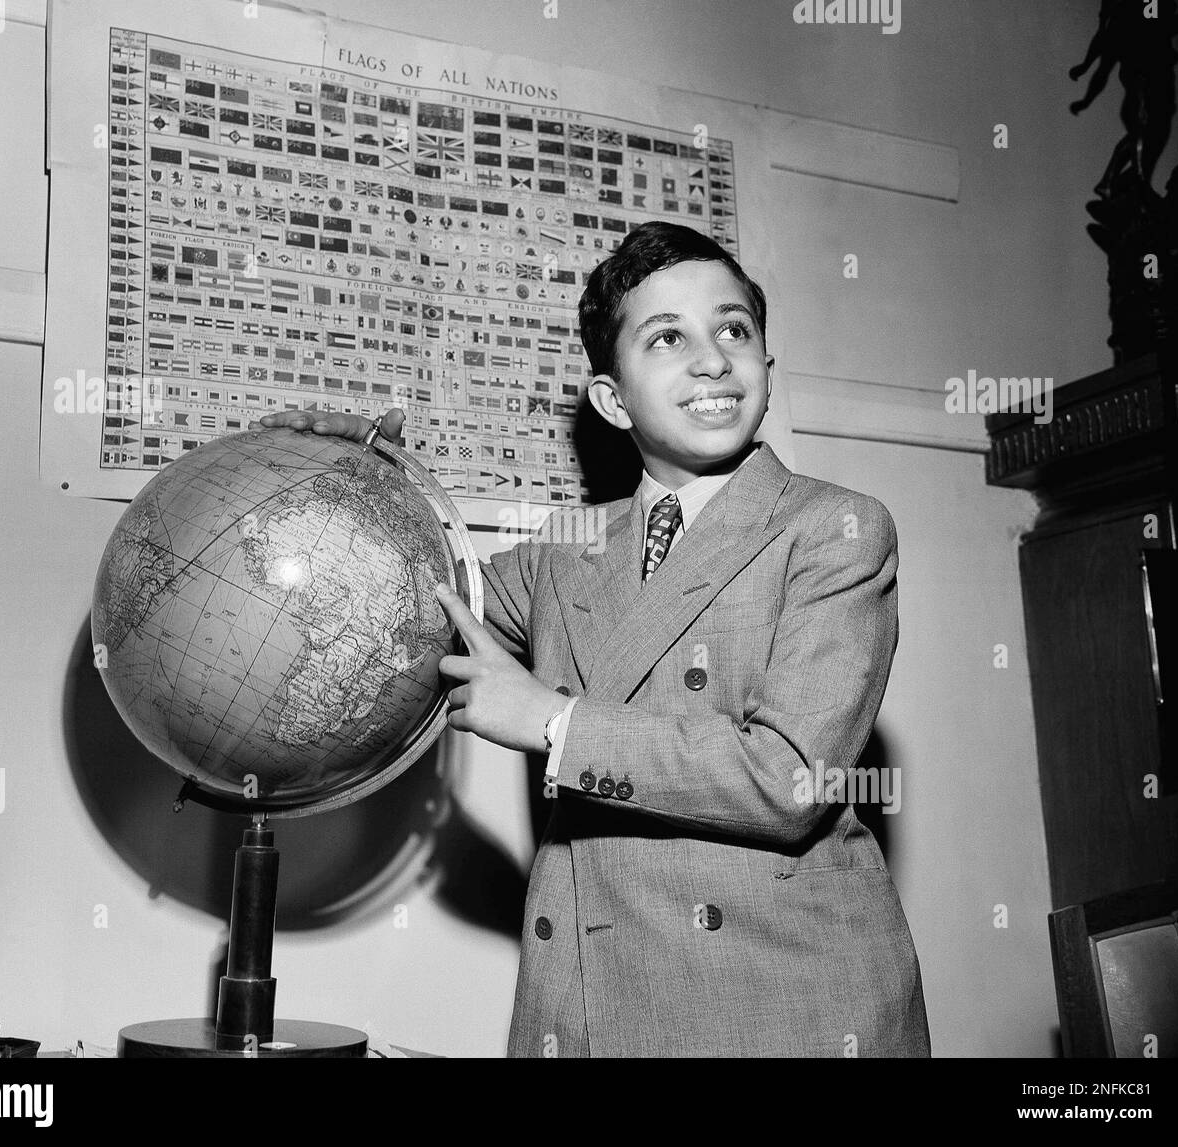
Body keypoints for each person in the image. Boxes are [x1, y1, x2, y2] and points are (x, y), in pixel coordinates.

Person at [253, 220, 931, 1057]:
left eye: (733, 330)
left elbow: (790, 780)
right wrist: (354, 485)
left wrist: (551, 723)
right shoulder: (565, 549)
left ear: (764, 363)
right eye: (667, 338)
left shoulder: (835, 527)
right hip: (593, 1005)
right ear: (612, 399)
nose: (712, 359)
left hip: (786, 1009)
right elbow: (416, 597)